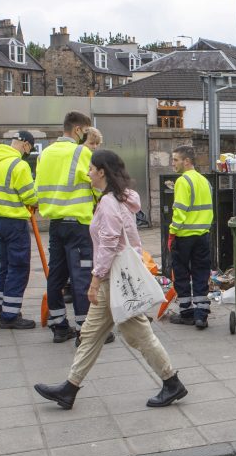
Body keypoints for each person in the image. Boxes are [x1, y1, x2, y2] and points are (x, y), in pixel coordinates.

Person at [34, 149, 188, 410]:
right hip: (115, 279)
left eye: (92, 169)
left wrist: (95, 279)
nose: (89, 173)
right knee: (91, 334)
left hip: (114, 280)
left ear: (102, 172)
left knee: (139, 335)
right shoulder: (122, 198)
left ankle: (172, 382)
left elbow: (108, 244)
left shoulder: (108, 203)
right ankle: (69, 388)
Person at [36, 111, 96, 343]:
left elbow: (38, 186)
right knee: (82, 276)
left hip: (56, 224)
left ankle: (59, 326)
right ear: (79, 130)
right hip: (78, 225)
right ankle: (86, 330)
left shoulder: (45, 154)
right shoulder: (81, 152)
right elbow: (94, 183)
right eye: (87, 131)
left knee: (57, 276)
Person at [0, 131, 38, 329]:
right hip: (16, 222)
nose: (28, 152)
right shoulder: (19, 165)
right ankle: (10, 315)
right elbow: (30, 197)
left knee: (5, 267)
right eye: (29, 148)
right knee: (18, 268)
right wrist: (37, 201)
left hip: (1, 221)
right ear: (24, 144)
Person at [168, 145, 213, 330]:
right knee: (201, 272)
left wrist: (172, 232)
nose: (173, 163)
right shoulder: (205, 181)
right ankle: (201, 315)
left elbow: (179, 211)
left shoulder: (182, 181)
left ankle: (186, 313)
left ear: (187, 161)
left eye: (176, 160)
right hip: (203, 235)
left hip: (184, 235)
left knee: (182, 274)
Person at [62, 126, 103, 305]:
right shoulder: (81, 158)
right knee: (81, 261)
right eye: (91, 143)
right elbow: (93, 186)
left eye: (96, 144)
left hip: (80, 215)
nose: (93, 147)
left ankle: (72, 288)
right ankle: (77, 294)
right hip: (81, 216)